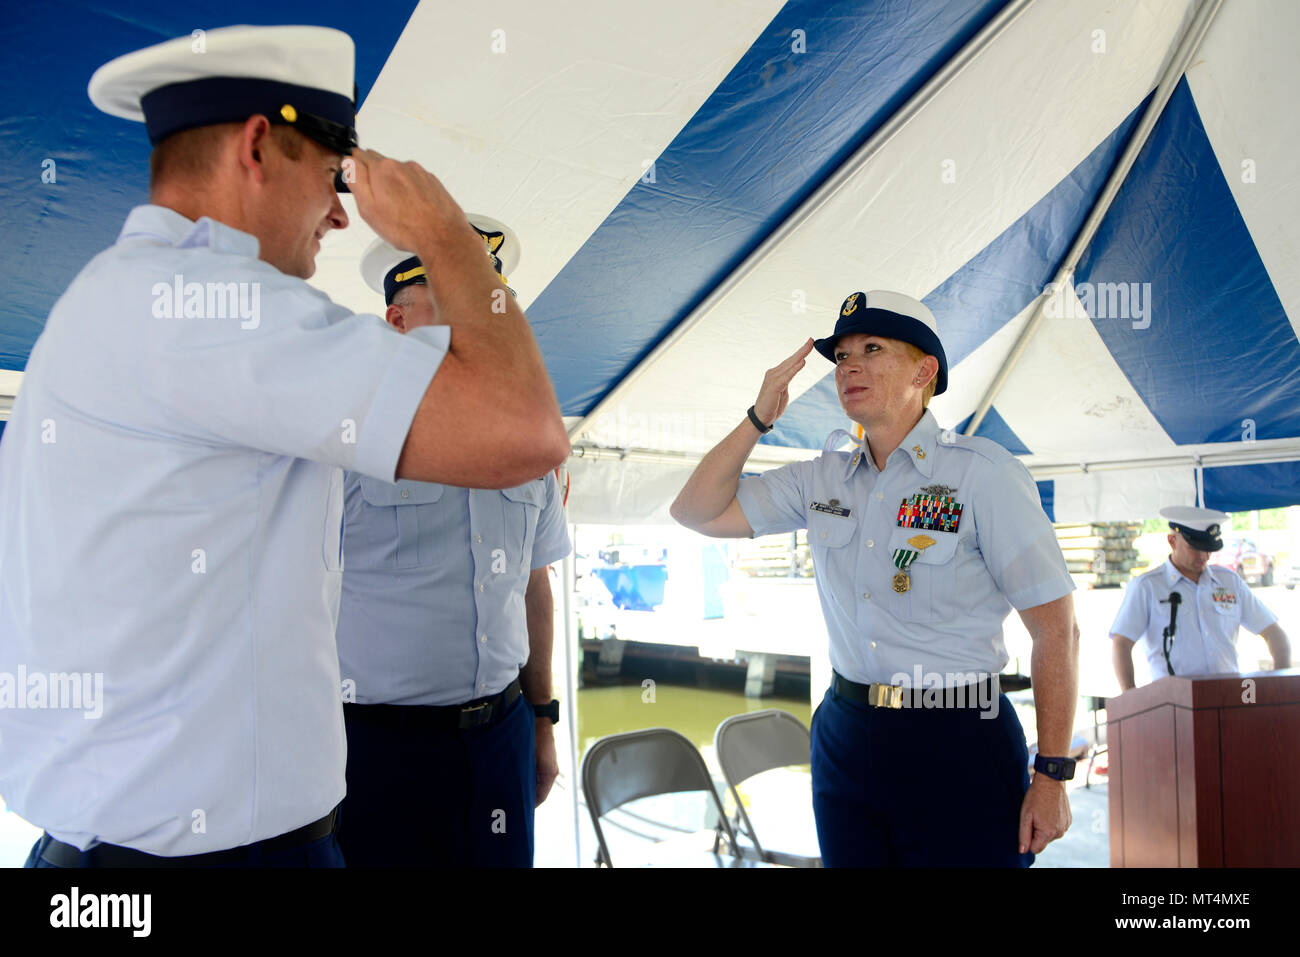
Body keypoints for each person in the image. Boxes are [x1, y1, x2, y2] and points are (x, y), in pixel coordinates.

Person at [0, 25, 568, 868]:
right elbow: (527, 430)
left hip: (134, 853)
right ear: (260, 146)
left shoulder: (123, 296)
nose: (341, 213)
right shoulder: (211, 307)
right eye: (334, 174)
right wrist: (439, 227)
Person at [671, 289, 1079, 867]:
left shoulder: (981, 474)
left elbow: (1056, 629)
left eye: (872, 348)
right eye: (840, 356)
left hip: (959, 737)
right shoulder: (822, 479)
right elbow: (696, 512)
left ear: (924, 370)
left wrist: (1053, 776)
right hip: (847, 731)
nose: (850, 366)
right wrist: (758, 417)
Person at [335, 231, 570, 867]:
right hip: (376, 751)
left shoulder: (529, 449)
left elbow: (533, 585)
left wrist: (543, 723)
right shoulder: (345, 442)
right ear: (396, 321)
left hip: (502, 735)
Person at [1111, 506, 1291, 690]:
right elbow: (1121, 644)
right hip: (1172, 702)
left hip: (1228, 695)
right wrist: (1129, 697)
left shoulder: (1229, 582)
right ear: (1172, 541)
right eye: (1195, 548)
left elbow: (1273, 632)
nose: (1204, 556)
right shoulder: (1147, 586)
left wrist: (1281, 682)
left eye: (1208, 549)